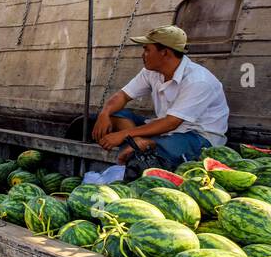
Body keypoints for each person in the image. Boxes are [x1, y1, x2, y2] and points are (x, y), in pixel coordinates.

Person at [91, 25, 229, 167]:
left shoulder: (198, 80)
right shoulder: (151, 71)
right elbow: (123, 96)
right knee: (117, 114)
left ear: (165, 52)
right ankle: (139, 141)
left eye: (147, 49)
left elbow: (172, 123)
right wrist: (105, 113)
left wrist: (124, 134)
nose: (143, 54)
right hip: (164, 129)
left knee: (155, 151)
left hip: (197, 136)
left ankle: (146, 143)